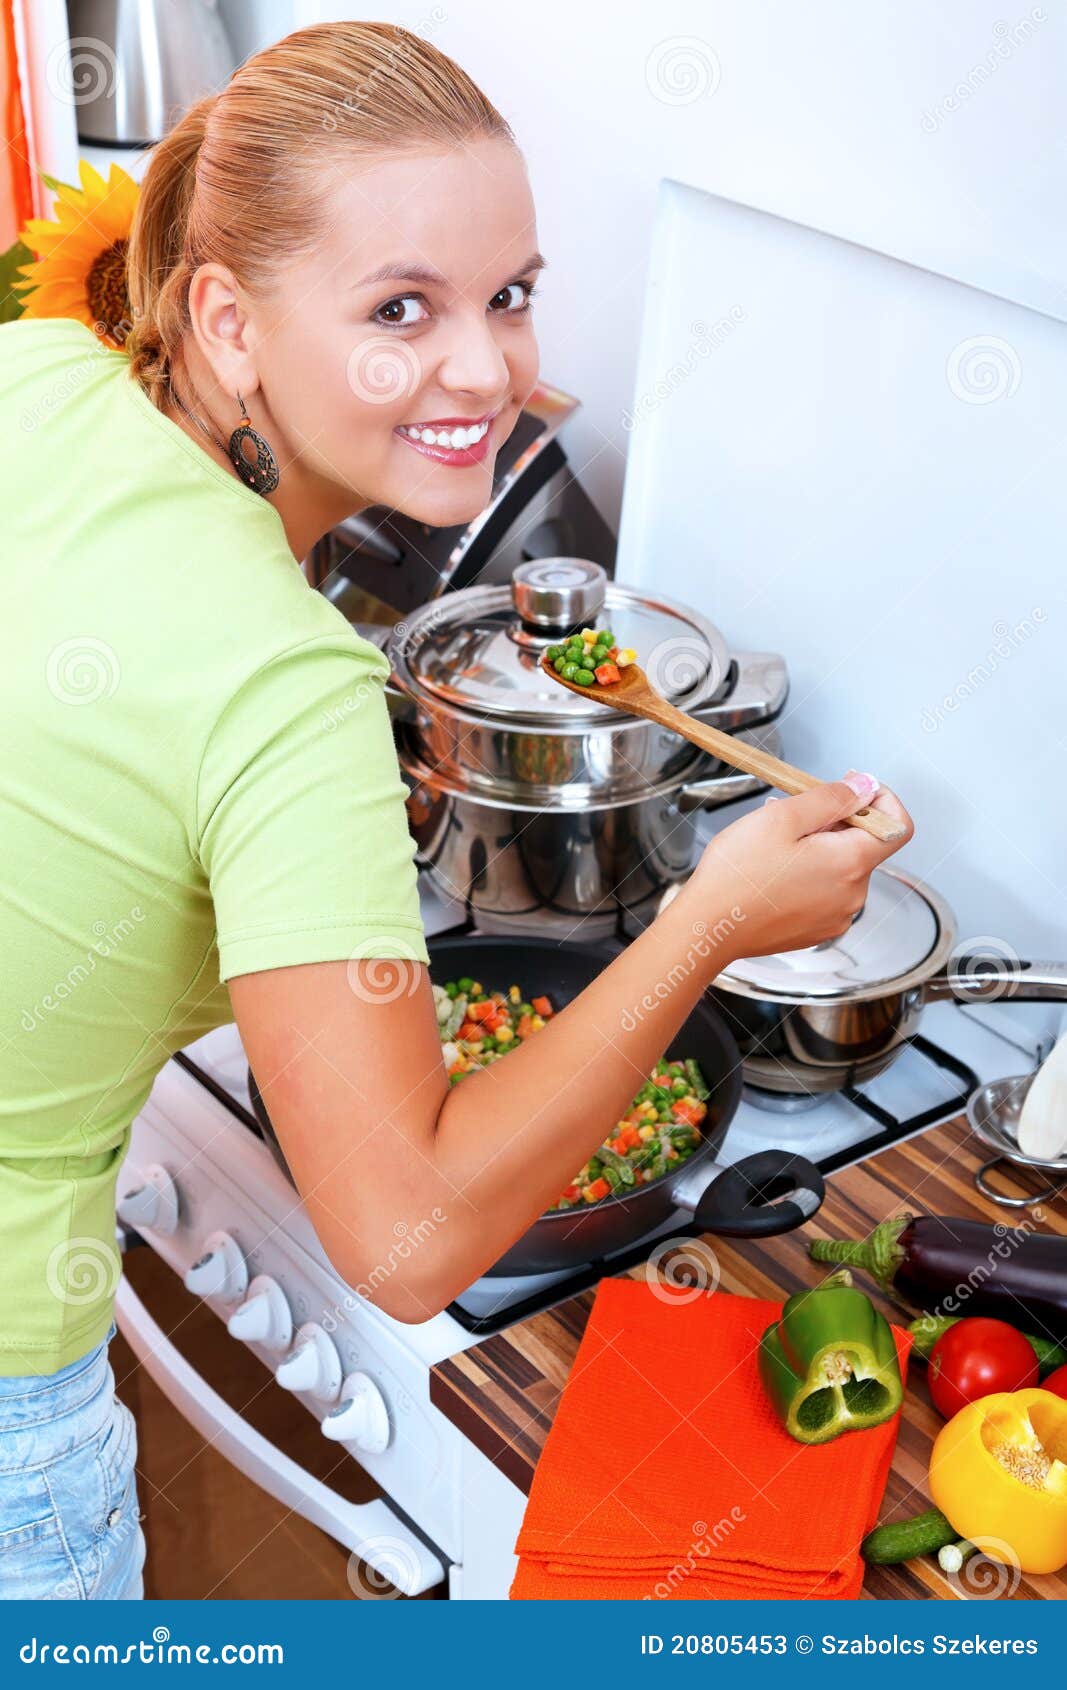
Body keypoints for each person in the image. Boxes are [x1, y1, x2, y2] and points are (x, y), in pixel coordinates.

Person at [0, 22, 911, 1598]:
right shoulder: (284, 696)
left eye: (511, 294)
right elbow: (413, 1239)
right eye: (399, 310)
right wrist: (711, 918)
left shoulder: (41, 377)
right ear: (226, 317)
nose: (489, 369)